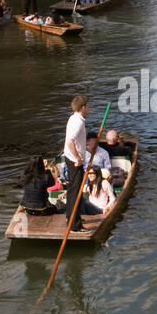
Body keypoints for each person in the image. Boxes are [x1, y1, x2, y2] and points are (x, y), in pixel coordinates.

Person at [62, 94, 89, 231]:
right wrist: (78, 158)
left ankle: (71, 216)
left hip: (69, 157)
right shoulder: (78, 122)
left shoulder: (73, 118)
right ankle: (75, 225)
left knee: (73, 190)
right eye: (88, 106)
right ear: (83, 107)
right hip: (74, 161)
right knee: (75, 191)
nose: (89, 108)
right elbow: (70, 141)